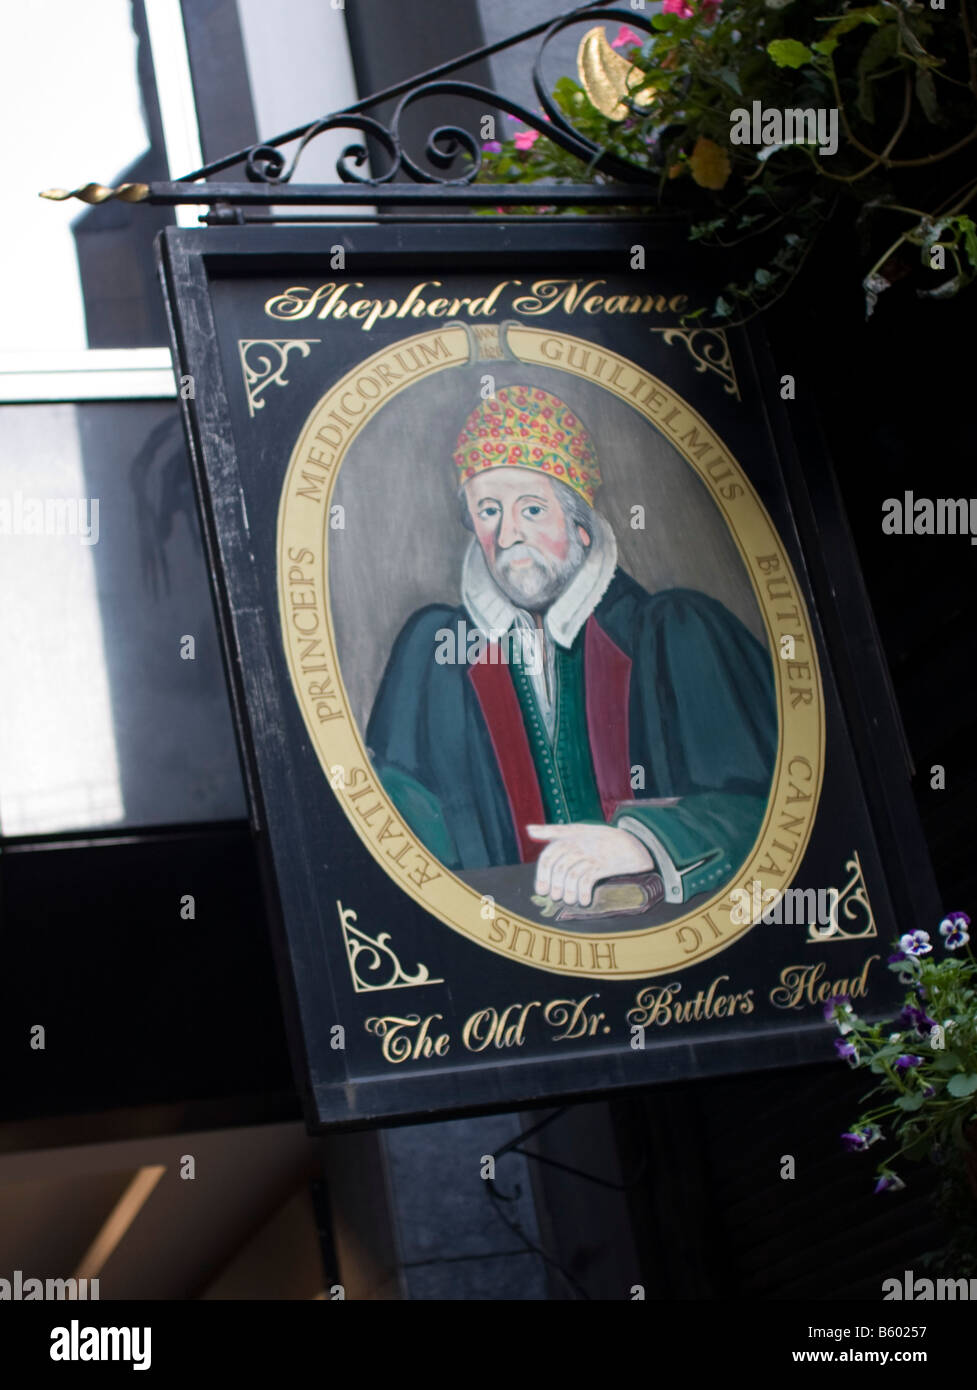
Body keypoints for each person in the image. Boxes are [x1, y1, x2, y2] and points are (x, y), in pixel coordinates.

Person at [366, 384, 777, 911]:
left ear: (581, 527)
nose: (508, 533)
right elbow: (398, 831)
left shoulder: (676, 633)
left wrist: (643, 841)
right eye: (489, 511)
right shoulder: (434, 655)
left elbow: (772, 811)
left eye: (532, 509)